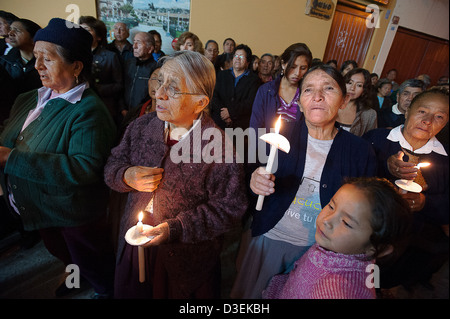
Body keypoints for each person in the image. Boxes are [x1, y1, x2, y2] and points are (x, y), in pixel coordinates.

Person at [104, 50, 248, 299]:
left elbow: (230, 208)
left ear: (200, 103)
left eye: (173, 88)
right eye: (160, 81)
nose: (159, 93)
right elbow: (112, 164)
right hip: (134, 240)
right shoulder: (141, 127)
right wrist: (126, 175)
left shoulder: (219, 148)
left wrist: (177, 228)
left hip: (184, 257)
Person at [231, 64, 377, 299]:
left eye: (328, 88)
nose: (317, 97)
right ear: (299, 101)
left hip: (321, 249)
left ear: (344, 99)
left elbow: (366, 205)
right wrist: (254, 181)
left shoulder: (359, 151)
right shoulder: (275, 136)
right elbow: (245, 178)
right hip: (271, 235)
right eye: (308, 90)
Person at [0, 17, 117, 298]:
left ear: (76, 66)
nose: (37, 66)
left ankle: (105, 289)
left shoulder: (87, 110)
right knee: (65, 255)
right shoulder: (28, 99)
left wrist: (10, 159)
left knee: (94, 261)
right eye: (36, 57)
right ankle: (80, 277)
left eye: (47, 59)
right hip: (39, 209)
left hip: (72, 214)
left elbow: (84, 167)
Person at [263, 177, 412, 299]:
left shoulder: (332, 291)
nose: (327, 220)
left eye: (346, 223)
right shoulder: (337, 247)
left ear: (379, 248)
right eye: (332, 206)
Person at [363, 87, 449, 290]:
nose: (428, 120)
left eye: (439, 116)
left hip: (410, 246)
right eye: (422, 111)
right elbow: (353, 177)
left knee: (382, 284)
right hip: (366, 233)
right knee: (357, 282)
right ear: (408, 110)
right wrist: (386, 165)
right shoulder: (376, 139)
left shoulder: (445, 160)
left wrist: (425, 202)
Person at [250, 43, 312, 130]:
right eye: (293, 67)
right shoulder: (266, 90)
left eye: (303, 68)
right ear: (283, 64)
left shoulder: (307, 94)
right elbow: (255, 126)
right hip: (266, 142)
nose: (297, 73)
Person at [79, 16, 123, 125]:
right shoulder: (76, 56)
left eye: (87, 30)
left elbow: (119, 84)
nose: (82, 33)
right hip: (82, 107)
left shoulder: (110, 56)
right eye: (80, 30)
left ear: (99, 37)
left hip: (105, 106)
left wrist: (97, 89)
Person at [210, 44, 262, 131]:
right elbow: (214, 96)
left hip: (240, 126)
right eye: (236, 55)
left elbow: (250, 102)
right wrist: (224, 115)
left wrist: (230, 112)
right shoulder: (221, 75)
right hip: (218, 123)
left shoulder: (254, 80)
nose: (237, 58)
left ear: (248, 61)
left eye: (241, 56)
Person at [0, 18, 41, 124]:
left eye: (17, 30)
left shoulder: (45, 64)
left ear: (33, 38)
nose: (10, 33)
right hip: (10, 118)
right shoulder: (4, 62)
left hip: (38, 117)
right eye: (10, 29)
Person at [120, 31, 157, 117]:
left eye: (139, 43)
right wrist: (122, 108)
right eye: (134, 42)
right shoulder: (128, 63)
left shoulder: (156, 68)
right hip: (123, 113)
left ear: (150, 49)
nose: (134, 46)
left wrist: (139, 112)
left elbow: (152, 96)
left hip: (142, 114)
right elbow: (120, 87)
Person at [335, 68, 377, 136]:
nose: (352, 88)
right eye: (349, 83)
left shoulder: (369, 114)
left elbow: (369, 141)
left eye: (359, 85)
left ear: (364, 90)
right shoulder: (329, 104)